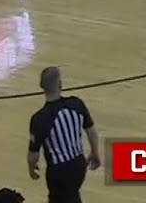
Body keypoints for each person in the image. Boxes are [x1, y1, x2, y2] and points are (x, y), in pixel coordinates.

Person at [28, 67, 101, 203]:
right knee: (70, 196)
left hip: (59, 172)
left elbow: (33, 154)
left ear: (41, 86)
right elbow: (91, 131)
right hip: (79, 165)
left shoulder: (39, 119)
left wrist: (32, 169)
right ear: (60, 84)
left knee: (61, 198)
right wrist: (95, 153)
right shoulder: (76, 104)